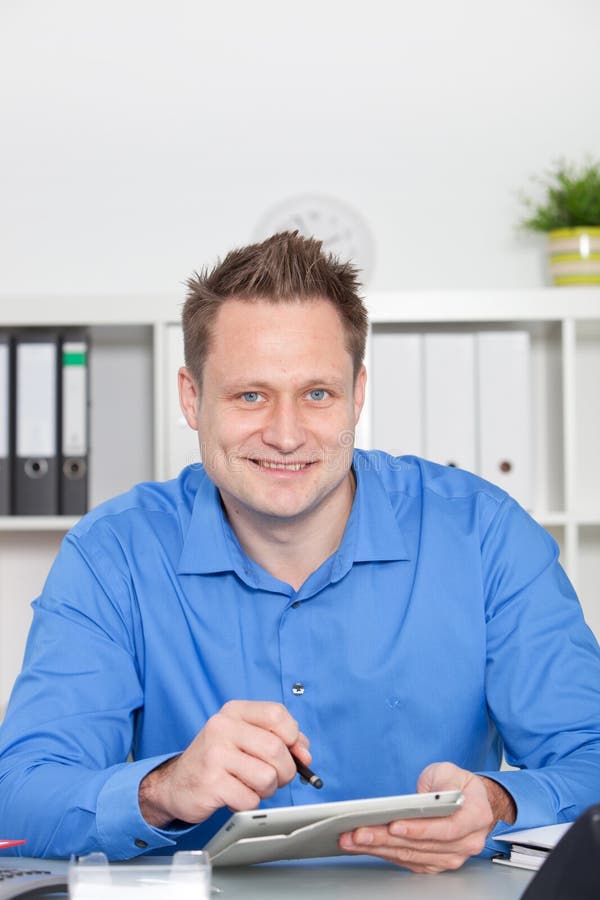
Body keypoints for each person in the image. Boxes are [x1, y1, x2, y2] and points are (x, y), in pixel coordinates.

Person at [1, 232, 600, 873]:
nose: (285, 435)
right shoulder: (113, 554)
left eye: (317, 394)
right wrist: (163, 789)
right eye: (250, 395)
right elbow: (20, 799)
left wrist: (500, 803)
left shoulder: (484, 535)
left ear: (357, 394)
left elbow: (589, 755)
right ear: (191, 398)